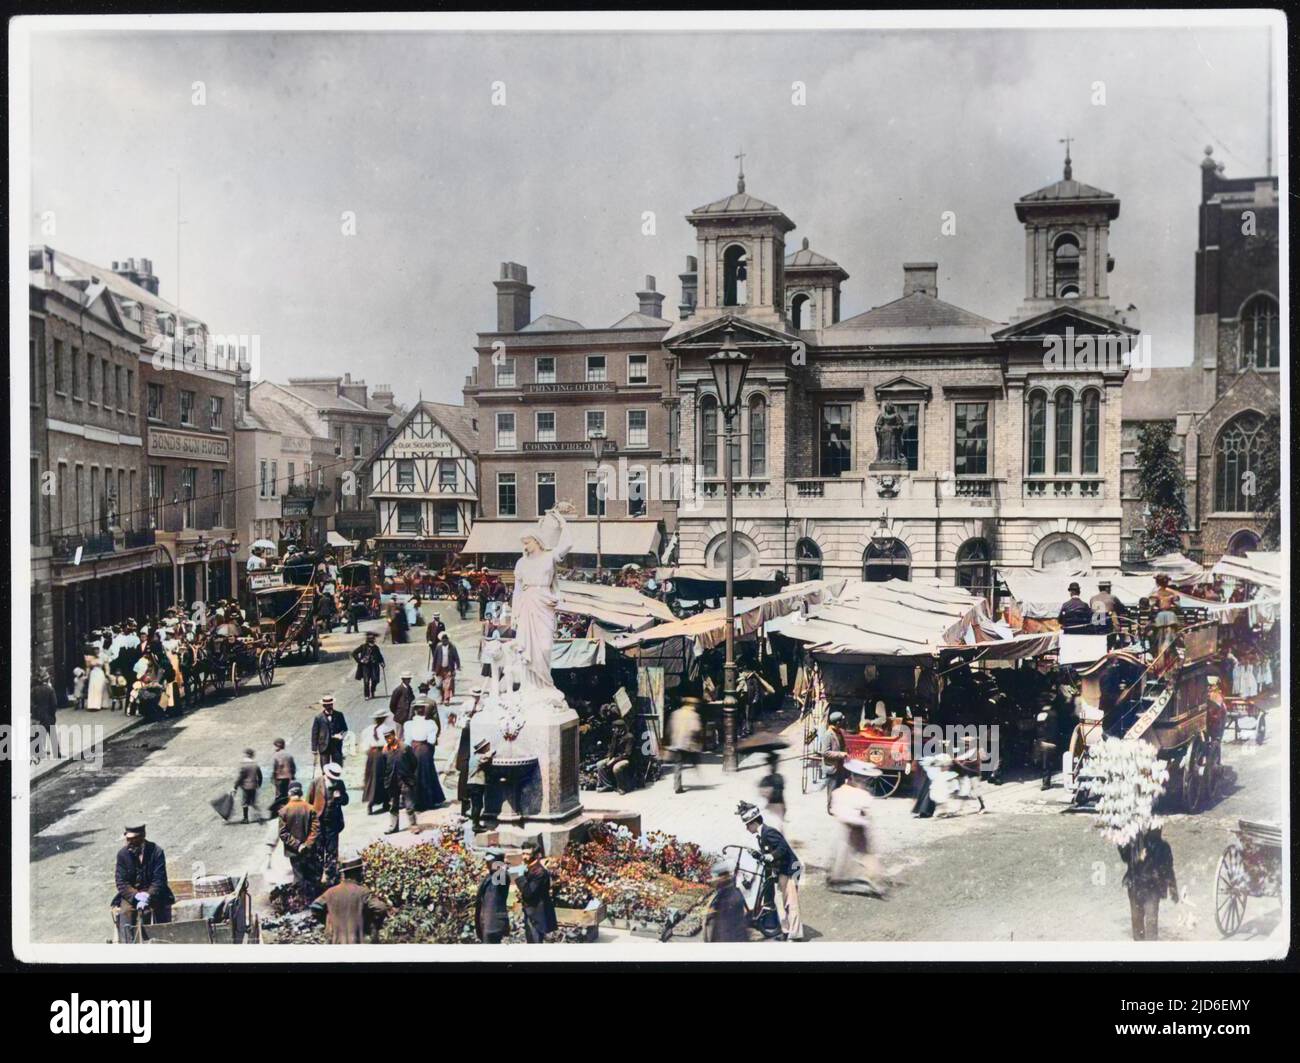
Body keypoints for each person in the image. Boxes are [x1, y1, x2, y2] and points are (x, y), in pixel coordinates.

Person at [511, 504, 574, 689]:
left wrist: (562, 522)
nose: (525, 546)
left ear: (537, 541)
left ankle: (545, 684)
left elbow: (568, 544)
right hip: (528, 604)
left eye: (527, 542)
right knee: (527, 648)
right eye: (523, 543)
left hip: (544, 603)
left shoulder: (549, 557)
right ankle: (531, 687)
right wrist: (514, 615)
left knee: (545, 647)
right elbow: (517, 591)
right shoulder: (521, 563)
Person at [740, 803, 802, 941]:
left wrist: (771, 856)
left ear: (754, 823)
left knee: (790, 902)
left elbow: (783, 847)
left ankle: (796, 935)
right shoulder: (762, 835)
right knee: (779, 901)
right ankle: (786, 932)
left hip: (790, 869)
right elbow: (769, 851)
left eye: (748, 825)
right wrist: (759, 855)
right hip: (781, 871)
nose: (747, 828)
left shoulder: (769, 832)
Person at [828, 760, 887, 896]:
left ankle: (868, 879)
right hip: (852, 827)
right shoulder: (851, 793)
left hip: (854, 827)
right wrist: (861, 820)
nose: (863, 782)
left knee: (851, 853)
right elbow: (840, 811)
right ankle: (848, 878)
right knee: (853, 853)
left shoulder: (842, 792)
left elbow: (838, 810)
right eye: (861, 778)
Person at [112, 825, 175, 941]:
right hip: (131, 894)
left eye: (134, 839)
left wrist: (148, 895)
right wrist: (135, 895)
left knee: (153, 913)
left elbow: (159, 880)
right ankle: (127, 944)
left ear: (142, 836)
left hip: (154, 893)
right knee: (126, 912)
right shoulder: (122, 854)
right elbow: (121, 882)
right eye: (128, 839)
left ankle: (159, 941)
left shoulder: (156, 851)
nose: (130, 842)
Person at [309, 856, 389, 944]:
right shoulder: (363, 892)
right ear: (358, 873)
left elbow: (315, 907)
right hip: (357, 944)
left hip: (335, 944)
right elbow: (381, 908)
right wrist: (372, 924)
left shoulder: (330, 892)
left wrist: (329, 921)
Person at [1119, 828, 1178, 941]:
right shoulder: (1136, 844)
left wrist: (1173, 888)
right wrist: (1121, 841)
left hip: (1152, 890)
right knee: (1137, 922)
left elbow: (1168, 869)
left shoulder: (1164, 847)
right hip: (1136, 886)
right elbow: (1125, 856)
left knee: (1151, 923)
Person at [308, 762, 349, 886]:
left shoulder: (339, 784)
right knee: (318, 850)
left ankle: (331, 877)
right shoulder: (316, 783)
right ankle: (317, 878)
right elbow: (308, 802)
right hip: (319, 823)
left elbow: (346, 800)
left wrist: (340, 797)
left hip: (333, 823)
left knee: (332, 851)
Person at [405, 699, 446, 812]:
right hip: (424, 749)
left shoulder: (408, 724)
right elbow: (431, 740)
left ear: (414, 712)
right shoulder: (430, 724)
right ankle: (429, 801)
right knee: (427, 774)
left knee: (414, 774)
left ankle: (414, 801)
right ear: (424, 711)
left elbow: (407, 741)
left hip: (413, 749)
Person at [278, 782, 321, 884]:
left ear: (289, 793)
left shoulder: (283, 811)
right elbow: (316, 830)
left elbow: (283, 833)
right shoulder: (310, 808)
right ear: (301, 793)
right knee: (311, 877)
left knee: (298, 877)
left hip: (293, 851)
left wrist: (297, 845)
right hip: (309, 850)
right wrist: (306, 844)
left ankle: (300, 898)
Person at [516, 841, 557, 944]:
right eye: (523, 853)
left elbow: (528, 893)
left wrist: (520, 876)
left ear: (535, 855)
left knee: (535, 945)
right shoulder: (531, 869)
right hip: (531, 913)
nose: (524, 857)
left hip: (537, 916)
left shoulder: (539, 872)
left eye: (528, 854)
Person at [703, 856, 748, 942]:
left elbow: (727, 930)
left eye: (715, 877)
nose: (712, 880)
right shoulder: (725, 892)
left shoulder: (730, 898)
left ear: (724, 878)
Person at [383, 726, 418, 834]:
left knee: (409, 805)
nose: (388, 739)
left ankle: (413, 826)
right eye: (386, 738)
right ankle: (393, 827)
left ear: (394, 735)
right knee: (393, 805)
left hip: (405, 781)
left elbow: (414, 763)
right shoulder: (385, 751)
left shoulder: (405, 748)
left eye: (389, 737)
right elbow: (384, 766)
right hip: (392, 781)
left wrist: (408, 774)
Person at [475, 848, 510, 943]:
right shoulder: (489, 876)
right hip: (485, 922)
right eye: (487, 861)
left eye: (491, 861)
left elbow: (500, 876)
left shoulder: (502, 877)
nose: (487, 863)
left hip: (494, 925)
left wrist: (502, 865)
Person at [668, 699, 703, 794]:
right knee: (694, 759)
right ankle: (698, 773)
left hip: (677, 743)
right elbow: (696, 729)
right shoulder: (693, 715)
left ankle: (677, 786)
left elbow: (669, 728)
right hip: (687, 744)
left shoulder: (675, 713)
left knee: (678, 765)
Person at [362, 706, 392, 814]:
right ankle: (385, 801)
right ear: (384, 718)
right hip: (381, 754)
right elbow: (392, 744)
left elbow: (365, 745)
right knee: (384, 777)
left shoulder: (369, 729)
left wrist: (369, 753)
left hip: (371, 754)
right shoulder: (387, 729)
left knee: (371, 778)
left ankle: (370, 802)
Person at [596, 717, 635, 794]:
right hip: (615, 757)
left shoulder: (629, 737)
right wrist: (609, 757)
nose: (614, 730)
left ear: (621, 728)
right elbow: (612, 748)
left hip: (625, 759)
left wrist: (614, 760)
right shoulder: (615, 736)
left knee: (616, 768)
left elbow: (627, 754)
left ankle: (622, 787)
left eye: (615, 728)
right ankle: (607, 785)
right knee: (599, 764)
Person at [311, 695, 348, 769]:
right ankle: (325, 779)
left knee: (337, 767)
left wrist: (340, 735)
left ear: (332, 704)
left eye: (330, 704)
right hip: (324, 745)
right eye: (326, 705)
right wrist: (314, 748)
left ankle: (336, 780)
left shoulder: (339, 715)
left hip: (336, 745)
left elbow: (345, 728)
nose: (328, 706)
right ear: (323, 705)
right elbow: (315, 733)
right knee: (325, 768)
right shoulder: (318, 718)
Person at [821, 711, 848, 813]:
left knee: (840, 789)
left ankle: (838, 807)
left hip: (840, 766)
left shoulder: (839, 732)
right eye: (842, 721)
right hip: (832, 767)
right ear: (837, 722)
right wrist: (840, 754)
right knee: (832, 789)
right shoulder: (828, 734)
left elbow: (842, 745)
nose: (843, 722)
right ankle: (830, 808)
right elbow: (825, 752)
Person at [31, 668, 60, 764]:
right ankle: (57, 753)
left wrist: (35, 713)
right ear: (47, 680)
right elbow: (54, 704)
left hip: (38, 717)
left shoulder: (34, 690)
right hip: (48, 717)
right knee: (52, 734)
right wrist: (52, 714)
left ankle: (38, 754)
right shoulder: (50, 689)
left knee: (37, 736)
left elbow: (31, 704)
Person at [465, 737, 493, 832]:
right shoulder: (480, 757)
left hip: (471, 784)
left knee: (475, 804)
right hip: (476, 784)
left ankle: (475, 823)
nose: (488, 748)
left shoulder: (473, 757)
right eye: (486, 747)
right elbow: (489, 756)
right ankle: (476, 825)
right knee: (478, 805)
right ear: (482, 748)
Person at [758, 751, 787, 830]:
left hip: (777, 808)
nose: (774, 766)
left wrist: (784, 808)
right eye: (772, 764)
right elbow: (763, 797)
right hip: (771, 808)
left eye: (775, 764)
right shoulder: (767, 780)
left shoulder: (778, 778)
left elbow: (781, 795)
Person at [352, 632, 385, 700]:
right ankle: (366, 695)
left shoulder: (376, 647)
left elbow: (379, 656)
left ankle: (372, 691)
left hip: (374, 666)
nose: (372, 640)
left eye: (373, 639)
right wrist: (360, 660)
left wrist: (382, 662)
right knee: (366, 681)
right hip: (365, 666)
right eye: (371, 639)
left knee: (375, 680)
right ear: (368, 640)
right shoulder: (363, 646)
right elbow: (354, 653)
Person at [235, 748, 264, 823]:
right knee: (253, 802)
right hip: (254, 785)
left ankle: (245, 818)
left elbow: (240, 777)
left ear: (247, 755)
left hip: (245, 786)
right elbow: (260, 776)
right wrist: (259, 784)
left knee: (245, 802)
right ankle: (259, 817)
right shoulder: (255, 764)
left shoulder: (244, 765)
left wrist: (235, 786)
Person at [269, 738, 297, 817]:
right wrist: (292, 775)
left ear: (278, 745)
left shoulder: (276, 755)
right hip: (288, 778)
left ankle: (274, 813)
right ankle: (286, 812)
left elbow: (275, 767)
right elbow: (293, 767)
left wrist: (273, 777)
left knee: (278, 796)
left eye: (275, 746)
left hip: (279, 778)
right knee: (285, 795)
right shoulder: (289, 755)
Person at [432, 632, 461, 703]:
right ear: (441, 640)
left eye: (446, 639)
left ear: (448, 640)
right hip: (440, 668)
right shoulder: (438, 647)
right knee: (440, 685)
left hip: (449, 668)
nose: (444, 641)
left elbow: (456, 657)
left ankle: (446, 699)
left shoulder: (452, 647)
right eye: (443, 640)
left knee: (447, 685)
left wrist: (458, 666)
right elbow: (435, 658)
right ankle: (442, 697)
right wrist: (433, 669)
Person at [389, 671, 416, 736]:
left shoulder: (409, 688)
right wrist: (398, 713)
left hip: (409, 716)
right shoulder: (398, 689)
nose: (409, 680)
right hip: (400, 717)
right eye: (407, 679)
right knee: (399, 735)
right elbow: (392, 704)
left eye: (409, 679)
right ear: (403, 679)